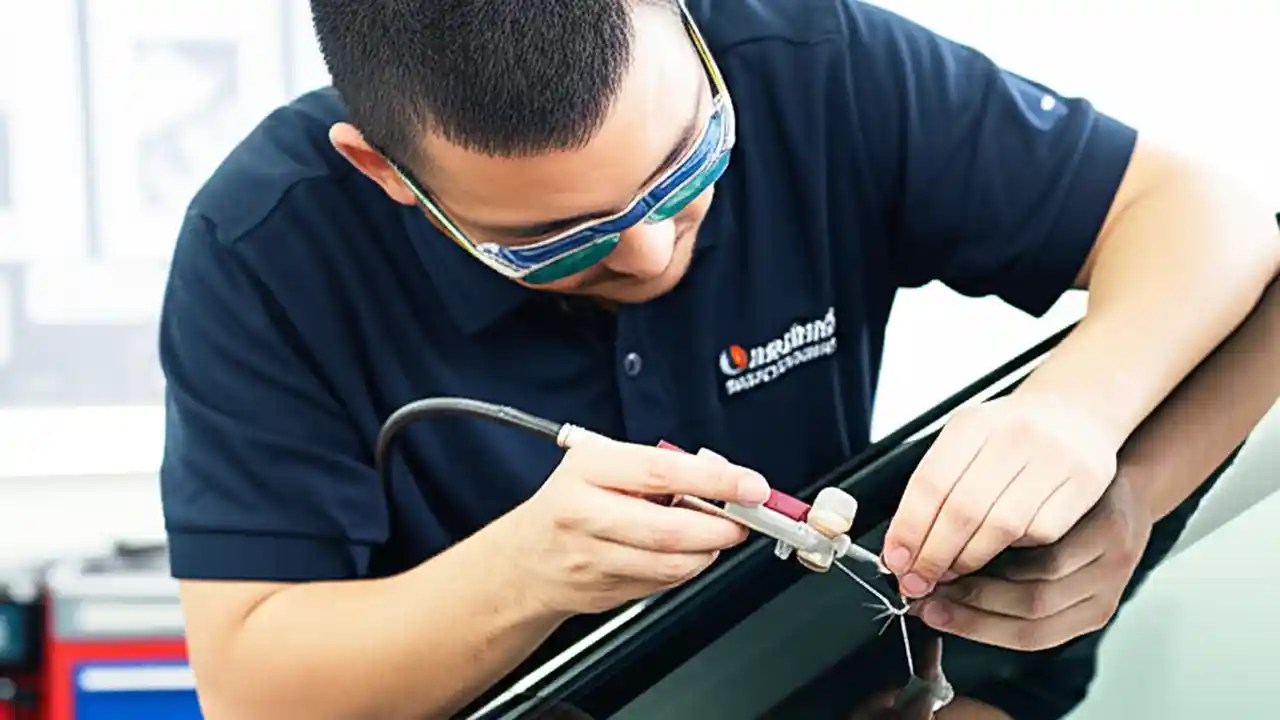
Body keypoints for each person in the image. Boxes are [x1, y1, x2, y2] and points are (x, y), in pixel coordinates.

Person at [157, 0, 1280, 717]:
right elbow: (257, 686)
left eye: (684, 163)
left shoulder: (807, 60)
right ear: (386, 172)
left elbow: (1207, 219)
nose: (650, 251)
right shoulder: (263, 248)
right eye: (561, 240)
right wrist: (526, 573)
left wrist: (1085, 423)